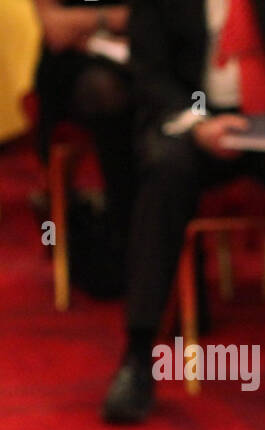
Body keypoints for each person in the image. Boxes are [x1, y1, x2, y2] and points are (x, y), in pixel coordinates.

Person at [102, 0, 265, 425]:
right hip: (199, 116)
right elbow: (149, 69)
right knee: (164, 172)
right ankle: (136, 356)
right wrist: (197, 123)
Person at [32, 0, 135, 296]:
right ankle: (124, 241)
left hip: (147, 64)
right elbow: (57, 30)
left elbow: (171, 22)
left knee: (164, 94)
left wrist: (86, 21)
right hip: (72, 72)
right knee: (106, 93)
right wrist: (112, 18)